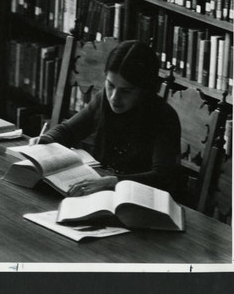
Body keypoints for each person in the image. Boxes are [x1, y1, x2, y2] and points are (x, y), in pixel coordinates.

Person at [31, 40, 181, 197]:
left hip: (140, 201)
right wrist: (47, 140)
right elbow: (68, 130)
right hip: (101, 194)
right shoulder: (103, 99)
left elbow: (163, 177)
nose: (114, 98)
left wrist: (114, 182)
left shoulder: (164, 117)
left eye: (126, 91)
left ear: (144, 90)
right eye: (110, 85)